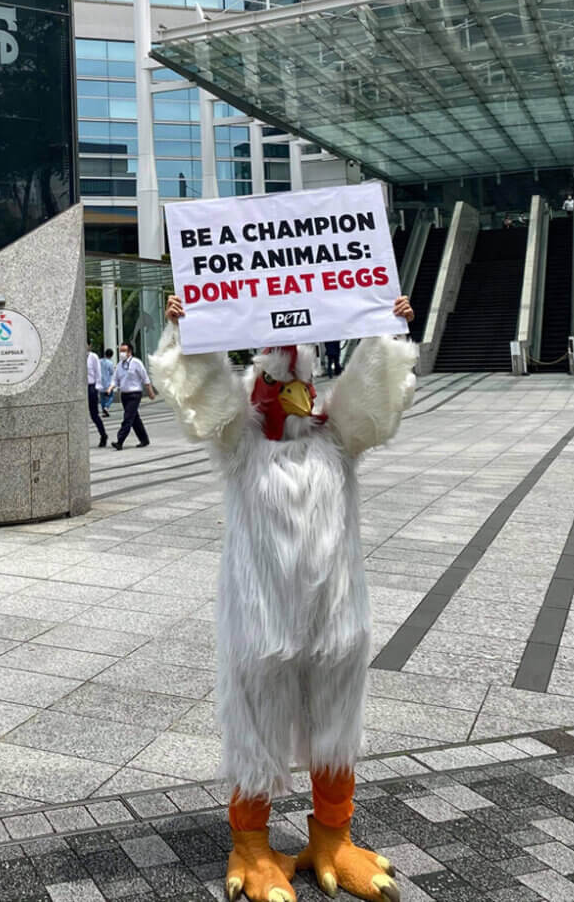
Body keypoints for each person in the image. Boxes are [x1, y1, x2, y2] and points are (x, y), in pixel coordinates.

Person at [152, 293, 415, 902]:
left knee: (337, 714)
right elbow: (205, 401)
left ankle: (333, 834)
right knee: (254, 717)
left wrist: (383, 330)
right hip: (258, 611)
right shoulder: (241, 444)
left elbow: (372, 402)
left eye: (299, 385)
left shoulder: (337, 439)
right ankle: (250, 842)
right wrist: (188, 330)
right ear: (261, 391)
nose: (293, 396)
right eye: (277, 386)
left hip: (336, 611)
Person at [111, 340, 155, 450]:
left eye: (124, 351)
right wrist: (110, 388)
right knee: (135, 418)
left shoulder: (136, 363)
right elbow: (115, 380)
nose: (121, 353)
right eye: (120, 351)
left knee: (128, 418)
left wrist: (150, 392)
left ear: (130, 352)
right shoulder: (119, 365)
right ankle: (144, 439)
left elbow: (145, 378)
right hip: (124, 395)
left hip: (135, 394)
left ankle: (120, 441)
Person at [86, 342, 107, 448]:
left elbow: (98, 373)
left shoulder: (93, 357)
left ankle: (103, 435)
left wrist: (97, 388)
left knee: (94, 415)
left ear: (89, 345)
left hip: (91, 387)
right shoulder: (76, 356)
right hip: (80, 388)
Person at [99, 348, 114, 417]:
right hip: (108, 383)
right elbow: (112, 372)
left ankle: (104, 411)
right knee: (111, 397)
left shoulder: (100, 361)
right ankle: (106, 407)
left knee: (102, 398)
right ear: (111, 355)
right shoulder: (110, 363)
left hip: (100, 382)